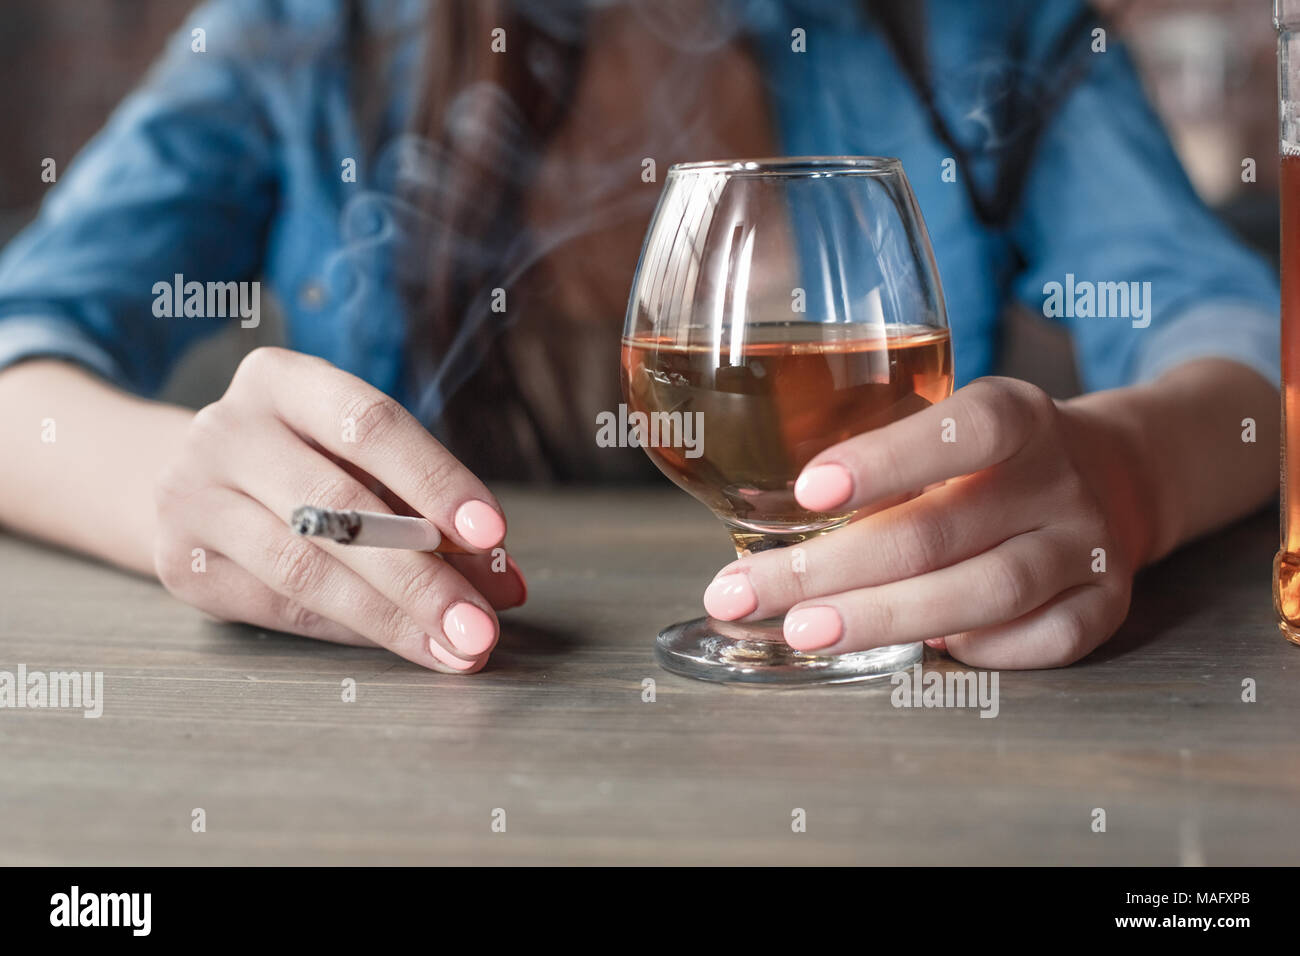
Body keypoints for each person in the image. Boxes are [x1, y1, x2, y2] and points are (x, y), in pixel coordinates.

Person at [0, 0, 1280, 672]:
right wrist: (172, 486)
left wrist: (1128, 473)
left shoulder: (981, 24)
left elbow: (1241, 354)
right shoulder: (301, 28)